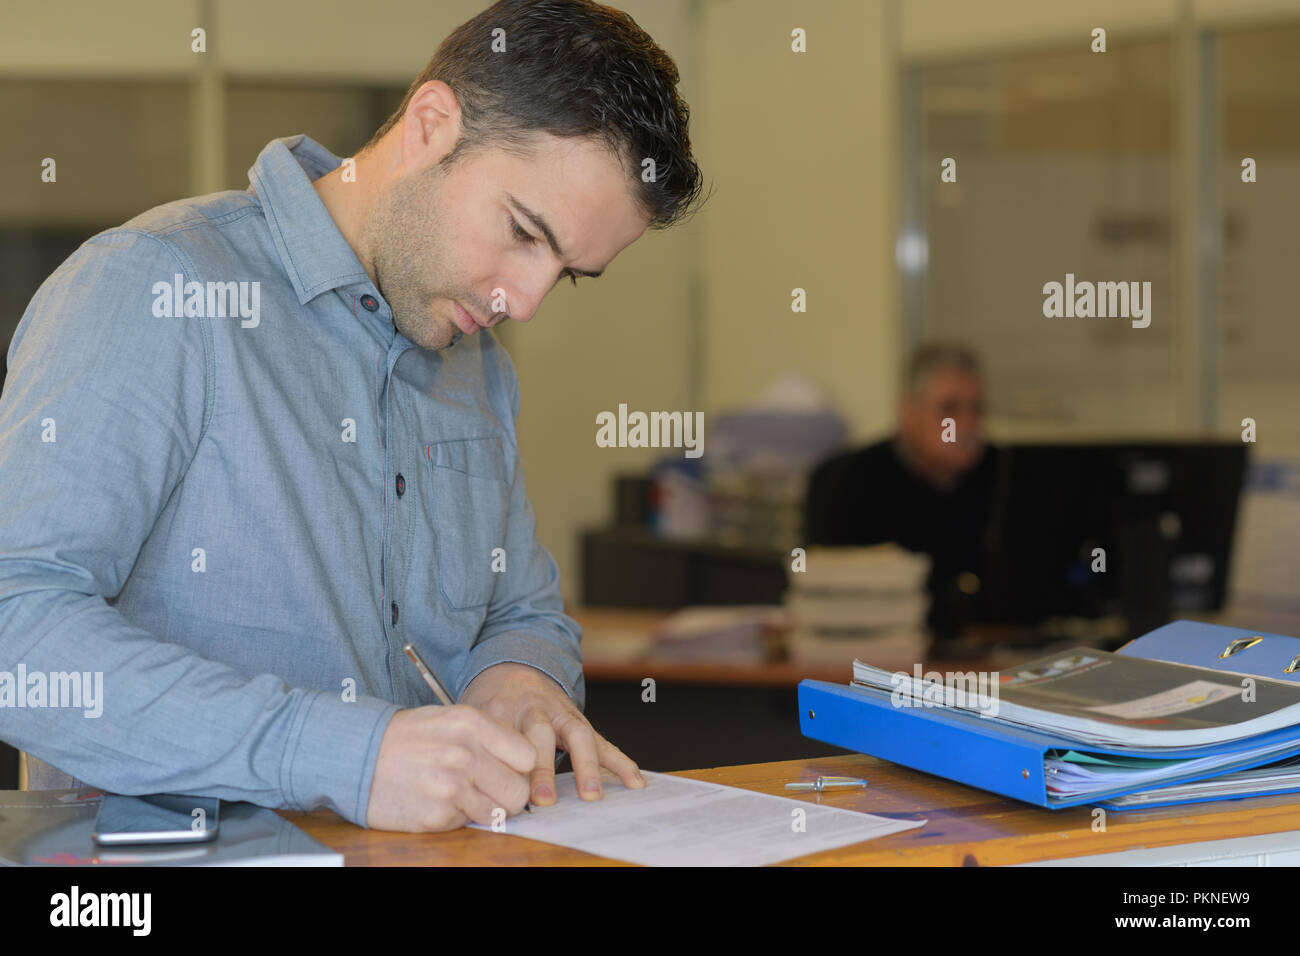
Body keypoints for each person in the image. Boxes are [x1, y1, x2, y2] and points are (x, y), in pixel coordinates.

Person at [0, 0, 703, 833]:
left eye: (569, 273)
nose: (525, 301)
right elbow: (18, 629)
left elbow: (518, 608)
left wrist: (521, 675)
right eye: (520, 231)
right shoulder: (151, 287)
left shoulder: (473, 361)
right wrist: (343, 756)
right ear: (433, 124)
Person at [803, 344, 998, 643]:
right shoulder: (848, 481)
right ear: (908, 412)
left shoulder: (1000, 476)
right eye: (949, 409)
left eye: (977, 408)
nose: (968, 423)